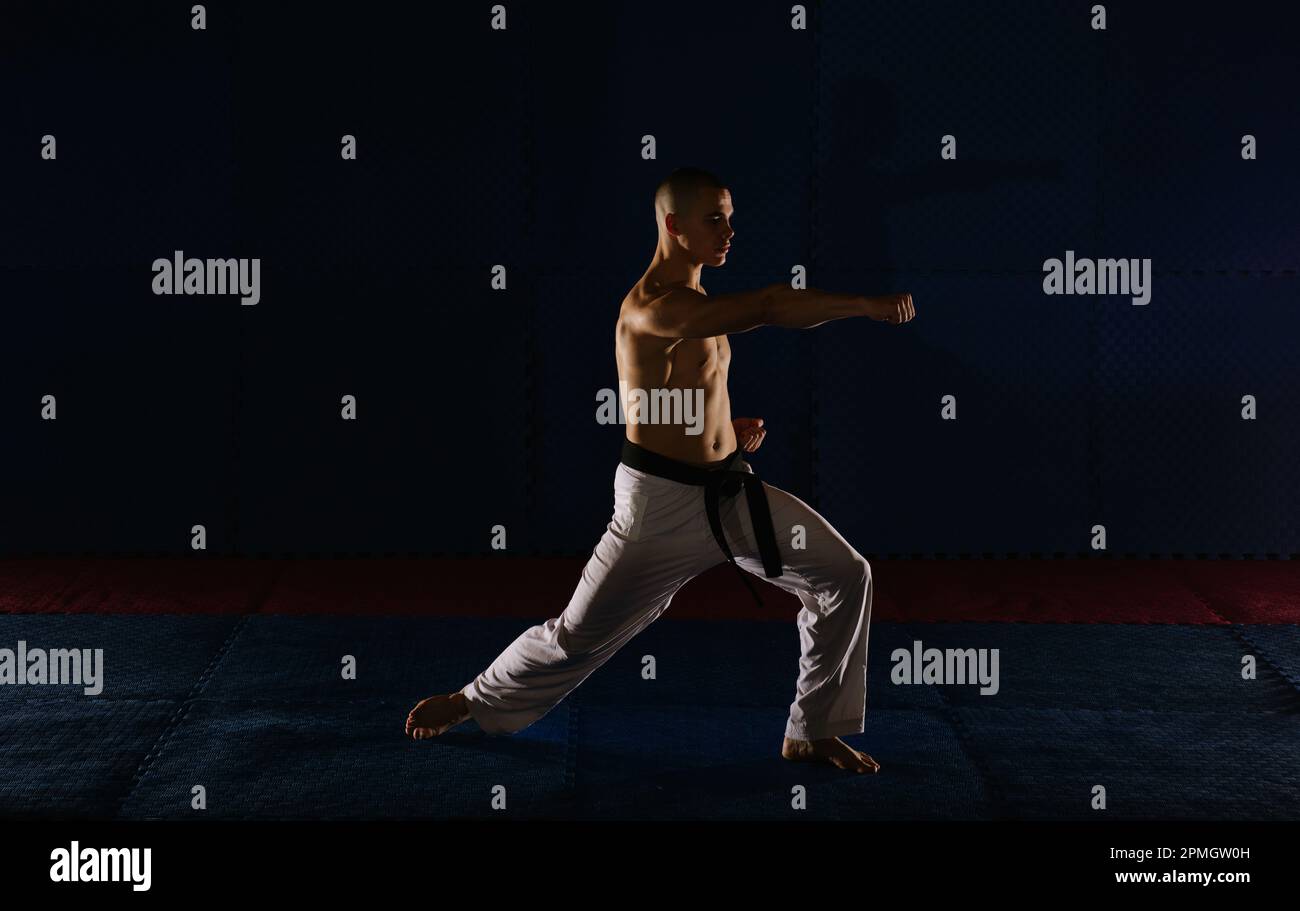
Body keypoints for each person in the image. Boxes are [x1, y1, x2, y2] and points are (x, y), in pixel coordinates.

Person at [406, 167, 915, 774]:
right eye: (714, 220)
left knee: (844, 575)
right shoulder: (652, 307)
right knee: (575, 636)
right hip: (658, 510)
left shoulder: (697, 301)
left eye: (730, 217)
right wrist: (864, 304)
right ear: (674, 227)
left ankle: (812, 730)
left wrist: (729, 432)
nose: (730, 232)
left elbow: (682, 396)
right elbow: (772, 304)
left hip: (730, 492)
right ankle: (471, 699)